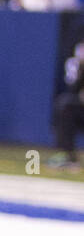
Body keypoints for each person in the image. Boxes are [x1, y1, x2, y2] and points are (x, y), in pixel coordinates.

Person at [51, 42, 84, 170]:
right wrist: (81, 67)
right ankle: (68, 155)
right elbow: (73, 89)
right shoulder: (76, 64)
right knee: (66, 105)